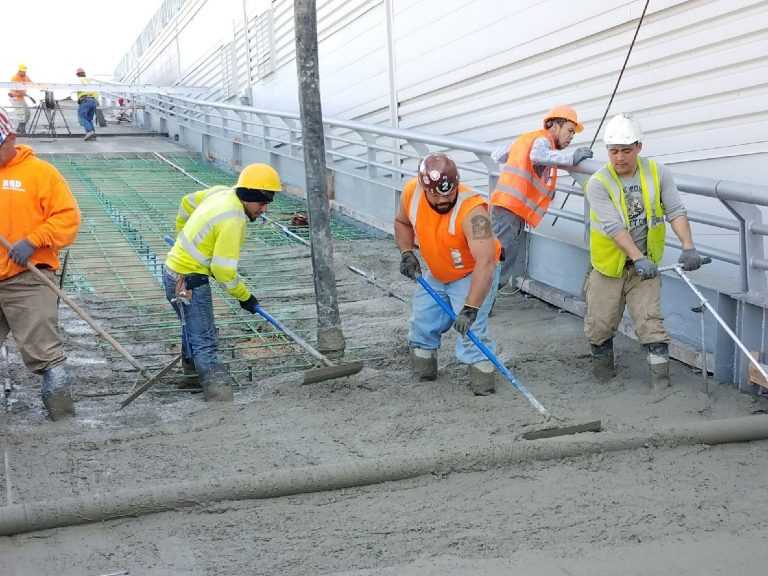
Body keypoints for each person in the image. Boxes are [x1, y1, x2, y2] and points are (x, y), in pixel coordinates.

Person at [584, 113, 706, 388]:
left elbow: (675, 209)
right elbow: (614, 226)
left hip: (646, 268)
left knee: (651, 324)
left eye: (626, 150)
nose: (619, 157)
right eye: (613, 151)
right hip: (608, 268)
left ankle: (660, 386)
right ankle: (603, 378)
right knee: (600, 326)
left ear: (639, 147)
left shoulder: (657, 172)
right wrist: (636, 257)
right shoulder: (598, 183)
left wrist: (688, 247)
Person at [164, 163, 282, 401]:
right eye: (262, 203)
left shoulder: (221, 192)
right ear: (249, 196)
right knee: (205, 338)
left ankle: (191, 376)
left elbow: (187, 201)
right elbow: (222, 270)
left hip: (172, 273)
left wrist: (181, 234)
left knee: (191, 328)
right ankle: (218, 394)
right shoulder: (234, 220)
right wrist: (245, 297)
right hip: (190, 282)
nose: (264, 209)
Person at [395, 153, 502, 395]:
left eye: (449, 192)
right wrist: (407, 252)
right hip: (437, 271)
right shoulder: (411, 193)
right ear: (424, 188)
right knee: (423, 320)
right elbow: (402, 223)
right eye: (435, 193)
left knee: (472, 332)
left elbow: (485, 262)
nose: (443, 199)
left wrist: (471, 308)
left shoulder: (475, 212)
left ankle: (482, 377)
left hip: (471, 274)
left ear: (456, 183)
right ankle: (423, 364)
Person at [0, 108, 81, 419]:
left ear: (11, 138)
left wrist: (33, 240)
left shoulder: (40, 173)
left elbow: (68, 218)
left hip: (27, 277)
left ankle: (62, 421)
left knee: (46, 356)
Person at [490, 105, 593, 288]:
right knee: (498, 263)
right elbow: (538, 155)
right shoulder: (542, 141)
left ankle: (480, 306)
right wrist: (571, 158)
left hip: (508, 209)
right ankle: (478, 308)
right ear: (554, 125)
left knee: (501, 260)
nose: (571, 137)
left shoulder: (527, 138)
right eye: (569, 130)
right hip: (510, 210)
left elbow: (498, 155)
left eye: (573, 134)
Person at [75, 68, 99, 141]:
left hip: (85, 100)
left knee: (82, 117)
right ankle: (93, 135)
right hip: (93, 101)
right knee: (89, 119)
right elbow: (97, 91)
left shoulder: (78, 80)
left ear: (77, 74)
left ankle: (89, 131)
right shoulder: (90, 80)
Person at [8, 64, 33, 135]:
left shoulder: (25, 76)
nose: (25, 73)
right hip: (15, 98)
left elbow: (31, 83)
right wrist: (21, 93)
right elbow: (14, 91)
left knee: (27, 114)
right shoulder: (15, 78)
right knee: (21, 115)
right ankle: (21, 131)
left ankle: (19, 128)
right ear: (19, 71)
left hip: (21, 98)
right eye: (23, 71)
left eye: (25, 71)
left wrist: (39, 86)